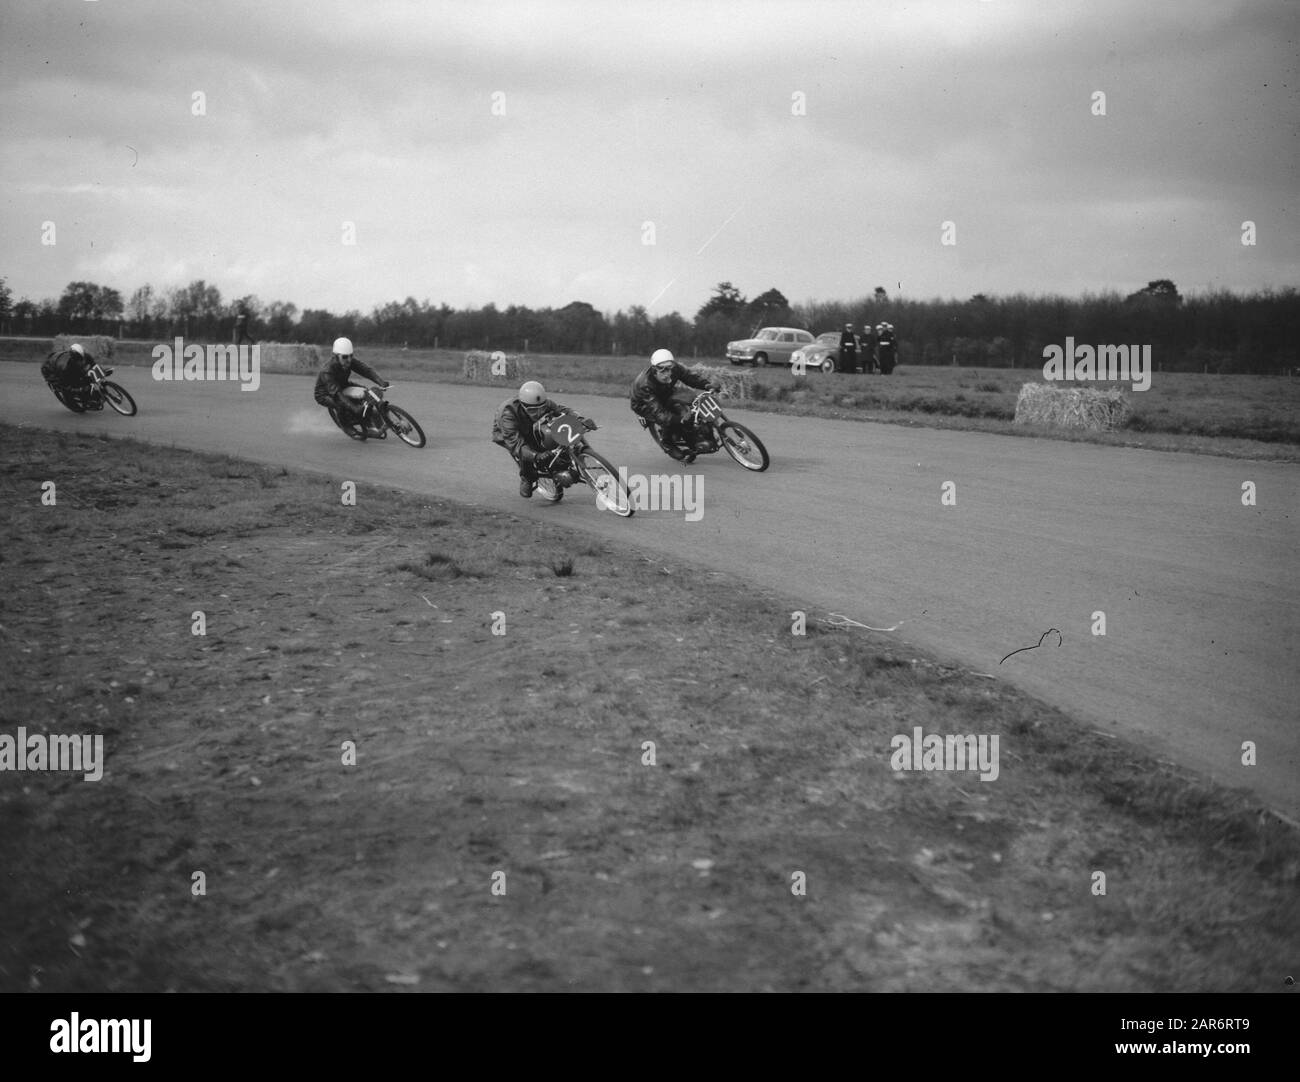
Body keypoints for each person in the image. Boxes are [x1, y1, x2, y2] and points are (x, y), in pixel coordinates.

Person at [492, 380, 595, 498]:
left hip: (531, 425)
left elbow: (562, 411)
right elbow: (515, 443)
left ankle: (564, 461)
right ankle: (527, 478)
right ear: (523, 405)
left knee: (551, 434)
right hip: (508, 433)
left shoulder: (543, 403)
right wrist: (535, 455)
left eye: (541, 408)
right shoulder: (508, 415)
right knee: (528, 449)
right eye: (532, 410)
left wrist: (581, 419)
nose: (537, 413)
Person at [629, 348, 717, 460]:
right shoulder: (644, 385)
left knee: (689, 406)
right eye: (662, 370)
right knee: (670, 418)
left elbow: (689, 378)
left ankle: (694, 436)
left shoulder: (675, 369)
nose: (667, 373)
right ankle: (667, 443)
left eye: (669, 368)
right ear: (654, 369)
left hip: (665, 392)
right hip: (644, 403)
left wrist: (706, 385)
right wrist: (679, 420)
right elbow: (659, 413)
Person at [313, 337, 388, 437]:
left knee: (366, 392)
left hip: (343, 385)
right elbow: (337, 394)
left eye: (351, 356)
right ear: (336, 356)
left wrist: (380, 381)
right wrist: (354, 407)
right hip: (325, 393)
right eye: (344, 357)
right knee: (340, 404)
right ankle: (346, 426)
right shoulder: (327, 371)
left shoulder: (349, 361)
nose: (348, 360)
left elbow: (366, 370)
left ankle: (369, 419)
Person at [41, 342, 101, 407]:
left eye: (82, 357)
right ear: (74, 358)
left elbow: (94, 365)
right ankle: (81, 401)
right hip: (50, 370)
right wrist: (79, 389)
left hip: (60, 360)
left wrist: (101, 373)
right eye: (79, 359)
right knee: (74, 387)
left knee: (85, 379)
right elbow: (66, 384)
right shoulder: (67, 367)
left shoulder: (85, 356)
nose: (81, 360)